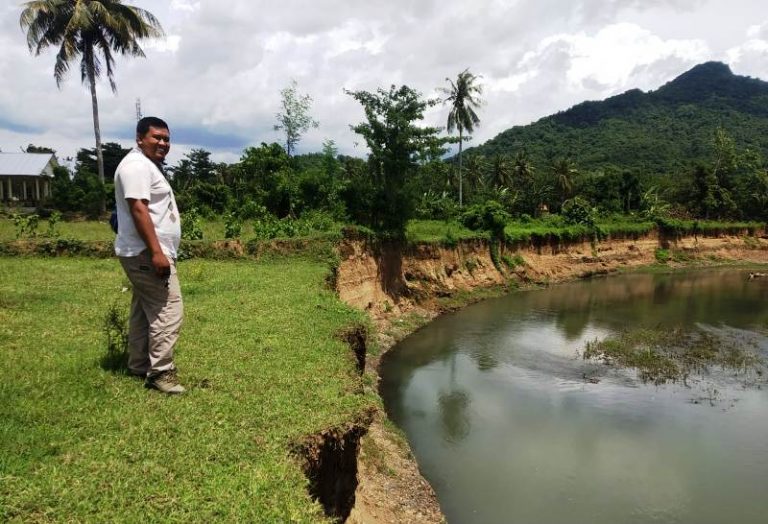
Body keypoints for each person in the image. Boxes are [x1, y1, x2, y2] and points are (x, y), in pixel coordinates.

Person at [114, 116, 185, 394]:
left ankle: (139, 363)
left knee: (144, 310)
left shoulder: (144, 166)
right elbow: (139, 209)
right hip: (147, 253)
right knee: (169, 308)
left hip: (144, 251)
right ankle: (161, 372)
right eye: (156, 137)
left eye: (166, 138)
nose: (163, 143)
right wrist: (157, 253)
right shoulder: (136, 167)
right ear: (139, 137)